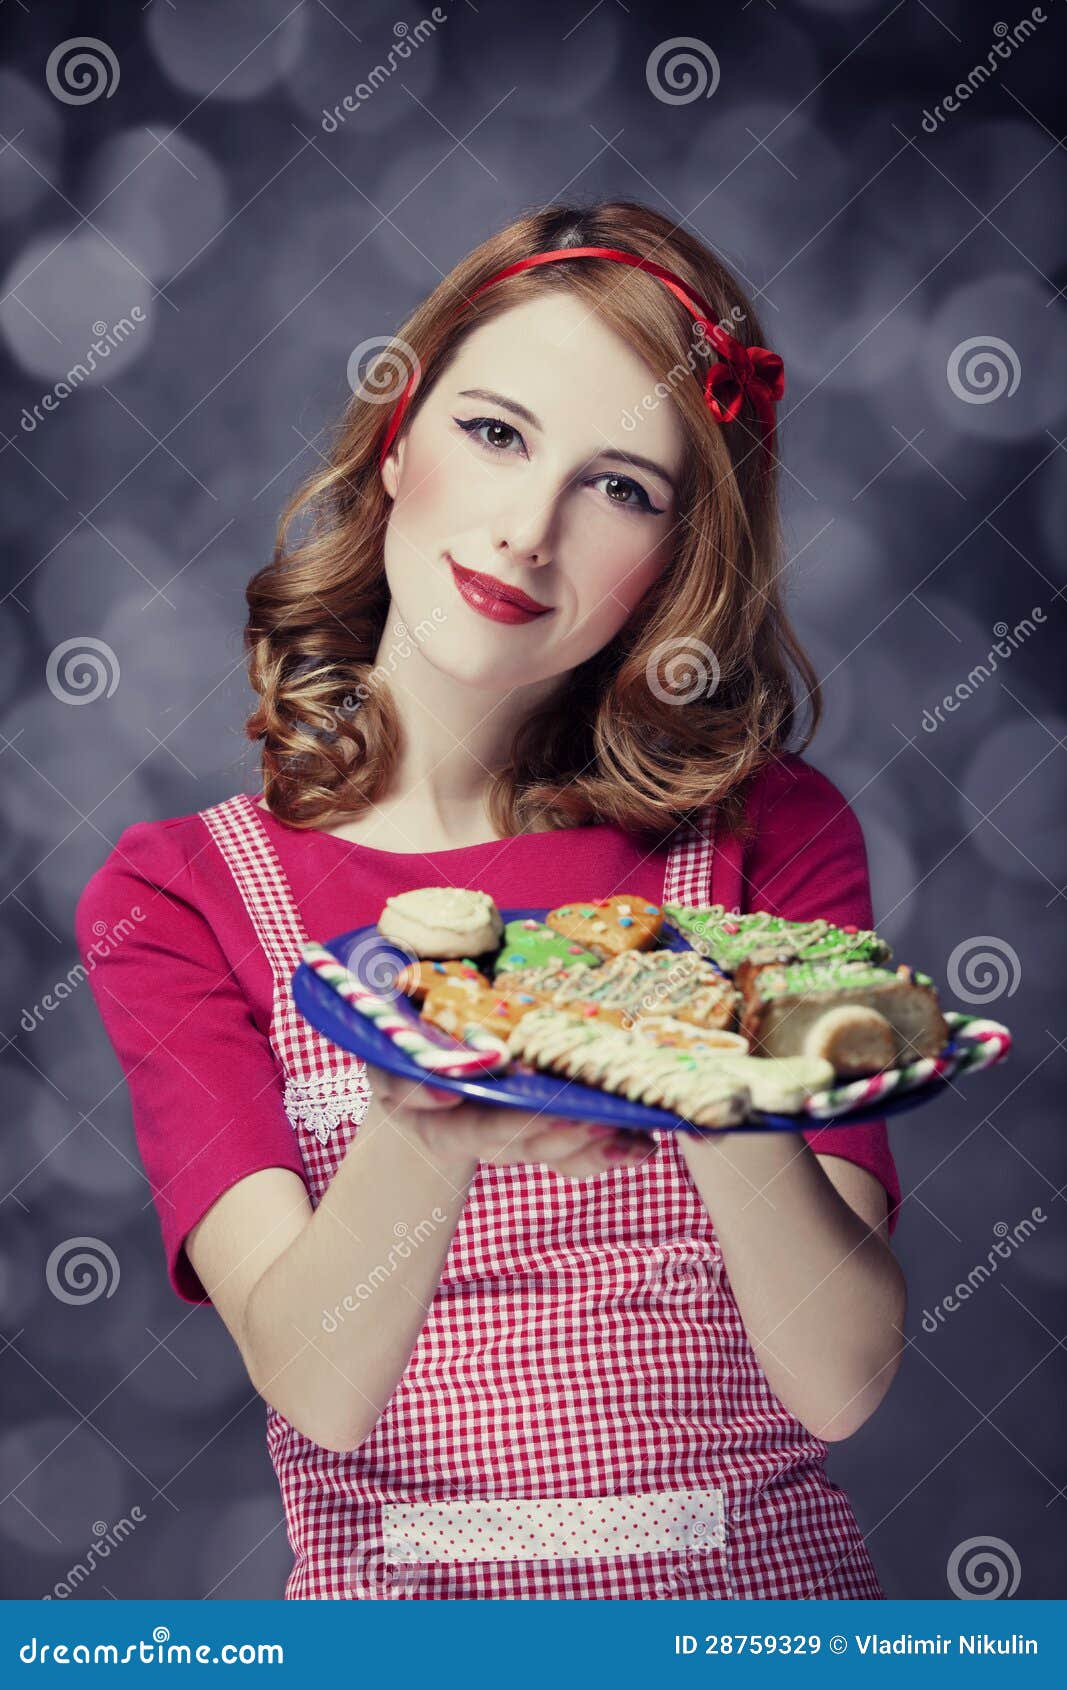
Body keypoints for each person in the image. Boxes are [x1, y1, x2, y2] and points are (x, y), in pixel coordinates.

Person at [76, 199, 906, 1601]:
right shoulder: (176, 896)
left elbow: (842, 1376)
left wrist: (695, 1063)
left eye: (624, 488)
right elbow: (319, 1377)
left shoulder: (783, 834)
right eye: (498, 434)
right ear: (398, 440)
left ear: (675, 566)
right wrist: (430, 1110)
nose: (530, 530)